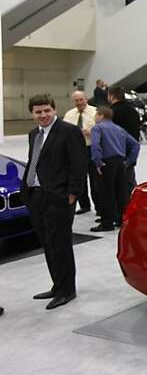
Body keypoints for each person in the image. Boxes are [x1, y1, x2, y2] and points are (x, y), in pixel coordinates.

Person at [22, 93, 86, 310]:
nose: (43, 115)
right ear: (32, 113)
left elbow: (79, 164)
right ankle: (57, 285)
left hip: (59, 197)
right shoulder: (34, 134)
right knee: (48, 244)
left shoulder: (69, 131)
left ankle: (67, 290)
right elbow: (34, 162)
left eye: (47, 110)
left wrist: (73, 193)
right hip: (36, 196)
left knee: (61, 245)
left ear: (54, 109)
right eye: (38, 112)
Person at [90, 107, 140, 232]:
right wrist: (129, 161)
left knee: (105, 193)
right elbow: (135, 145)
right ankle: (120, 219)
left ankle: (107, 223)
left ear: (101, 116)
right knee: (120, 192)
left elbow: (95, 145)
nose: (95, 118)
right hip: (120, 163)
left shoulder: (97, 128)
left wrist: (97, 162)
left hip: (106, 163)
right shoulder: (120, 129)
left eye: (96, 115)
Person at [62, 90, 98, 216]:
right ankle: (84, 205)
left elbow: (103, 130)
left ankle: (99, 207)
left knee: (96, 181)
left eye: (81, 99)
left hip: (92, 149)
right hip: (76, 150)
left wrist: (92, 133)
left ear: (86, 99)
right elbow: (64, 131)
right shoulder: (69, 114)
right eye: (76, 100)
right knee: (79, 179)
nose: (79, 102)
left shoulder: (95, 112)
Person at [108, 86, 141, 190]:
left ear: (111, 96)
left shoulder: (111, 113)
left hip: (116, 153)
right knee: (129, 179)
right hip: (131, 150)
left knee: (117, 184)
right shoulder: (133, 111)